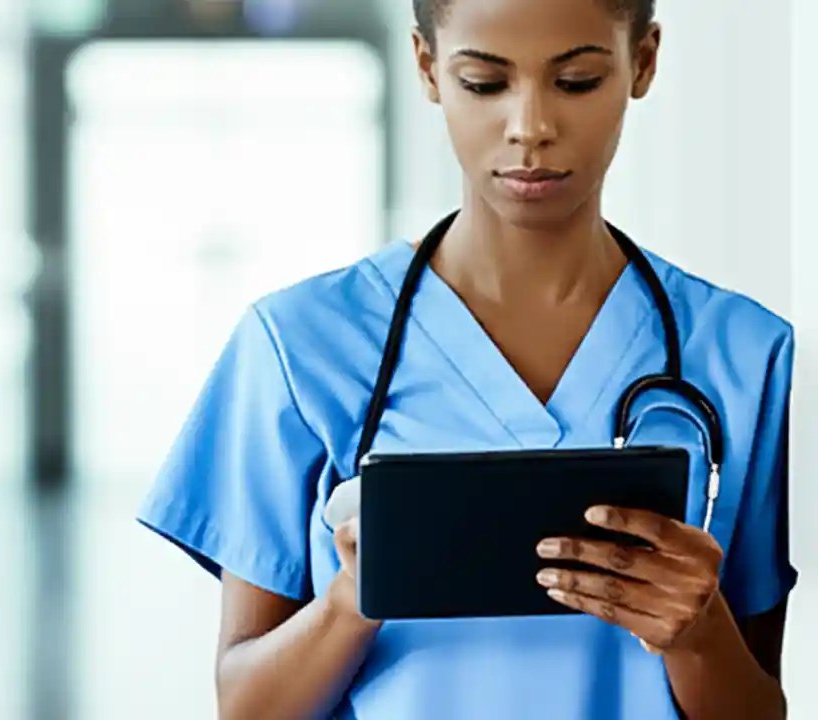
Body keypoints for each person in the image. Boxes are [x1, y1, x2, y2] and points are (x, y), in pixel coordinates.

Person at [135, 0, 797, 718]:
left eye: (575, 81)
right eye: (485, 83)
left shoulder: (743, 355)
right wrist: (355, 600)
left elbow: (759, 707)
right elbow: (247, 707)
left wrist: (697, 635)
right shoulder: (299, 345)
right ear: (427, 67)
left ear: (643, 63)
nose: (530, 127)